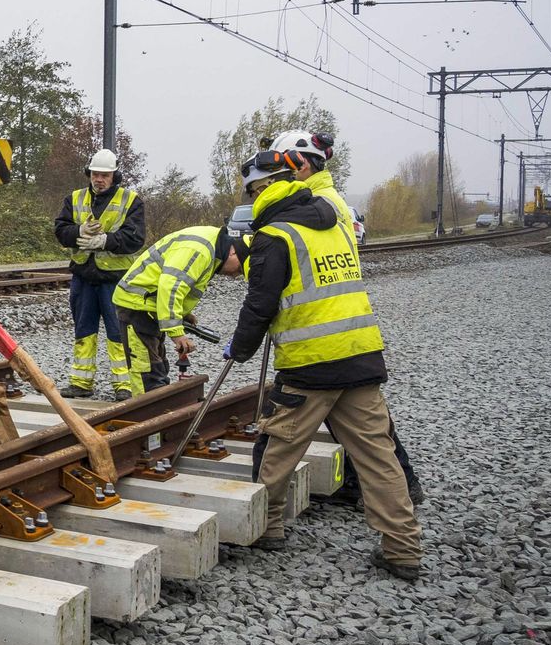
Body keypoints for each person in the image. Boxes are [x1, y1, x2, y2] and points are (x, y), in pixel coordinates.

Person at [226, 149, 423, 580]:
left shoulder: (275, 236)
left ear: (259, 190)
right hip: (361, 355)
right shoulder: (335, 224)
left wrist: (238, 349)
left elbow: (260, 303)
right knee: (378, 457)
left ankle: (268, 527)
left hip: (311, 364)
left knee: (279, 447)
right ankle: (404, 550)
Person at [265, 128, 424, 506]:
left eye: (283, 170)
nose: (277, 180)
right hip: (346, 325)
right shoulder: (326, 198)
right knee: (360, 418)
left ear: (301, 164)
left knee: (347, 416)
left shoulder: (318, 202)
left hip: (324, 327)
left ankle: (399, 482)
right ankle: (388, 484)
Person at [53, 148, 146, 398]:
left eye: (105, 175)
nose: (99, 179)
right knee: (84, 330)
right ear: (89, 173)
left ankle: (124, 385)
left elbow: (135, 238)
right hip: (84, 277)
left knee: (119, 333)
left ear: (115, 176)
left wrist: (105, 241)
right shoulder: (74, 198)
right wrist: (78, 232)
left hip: (115, 280)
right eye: (95, 174)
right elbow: (61, 230)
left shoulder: (131, 200)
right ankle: (81, 383)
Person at [112, 226, 246, 396]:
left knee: (157, 362)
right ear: (234, 254)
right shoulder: (201, 251)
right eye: (240, 269)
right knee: (145, 368)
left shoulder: (212, 249)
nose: (236, 275)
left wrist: (181, 314)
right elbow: (171, 288)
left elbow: (177, 285)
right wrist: (177, 334)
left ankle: (157, 404)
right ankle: (147, 411)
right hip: (136, 304)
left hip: (149, 305)